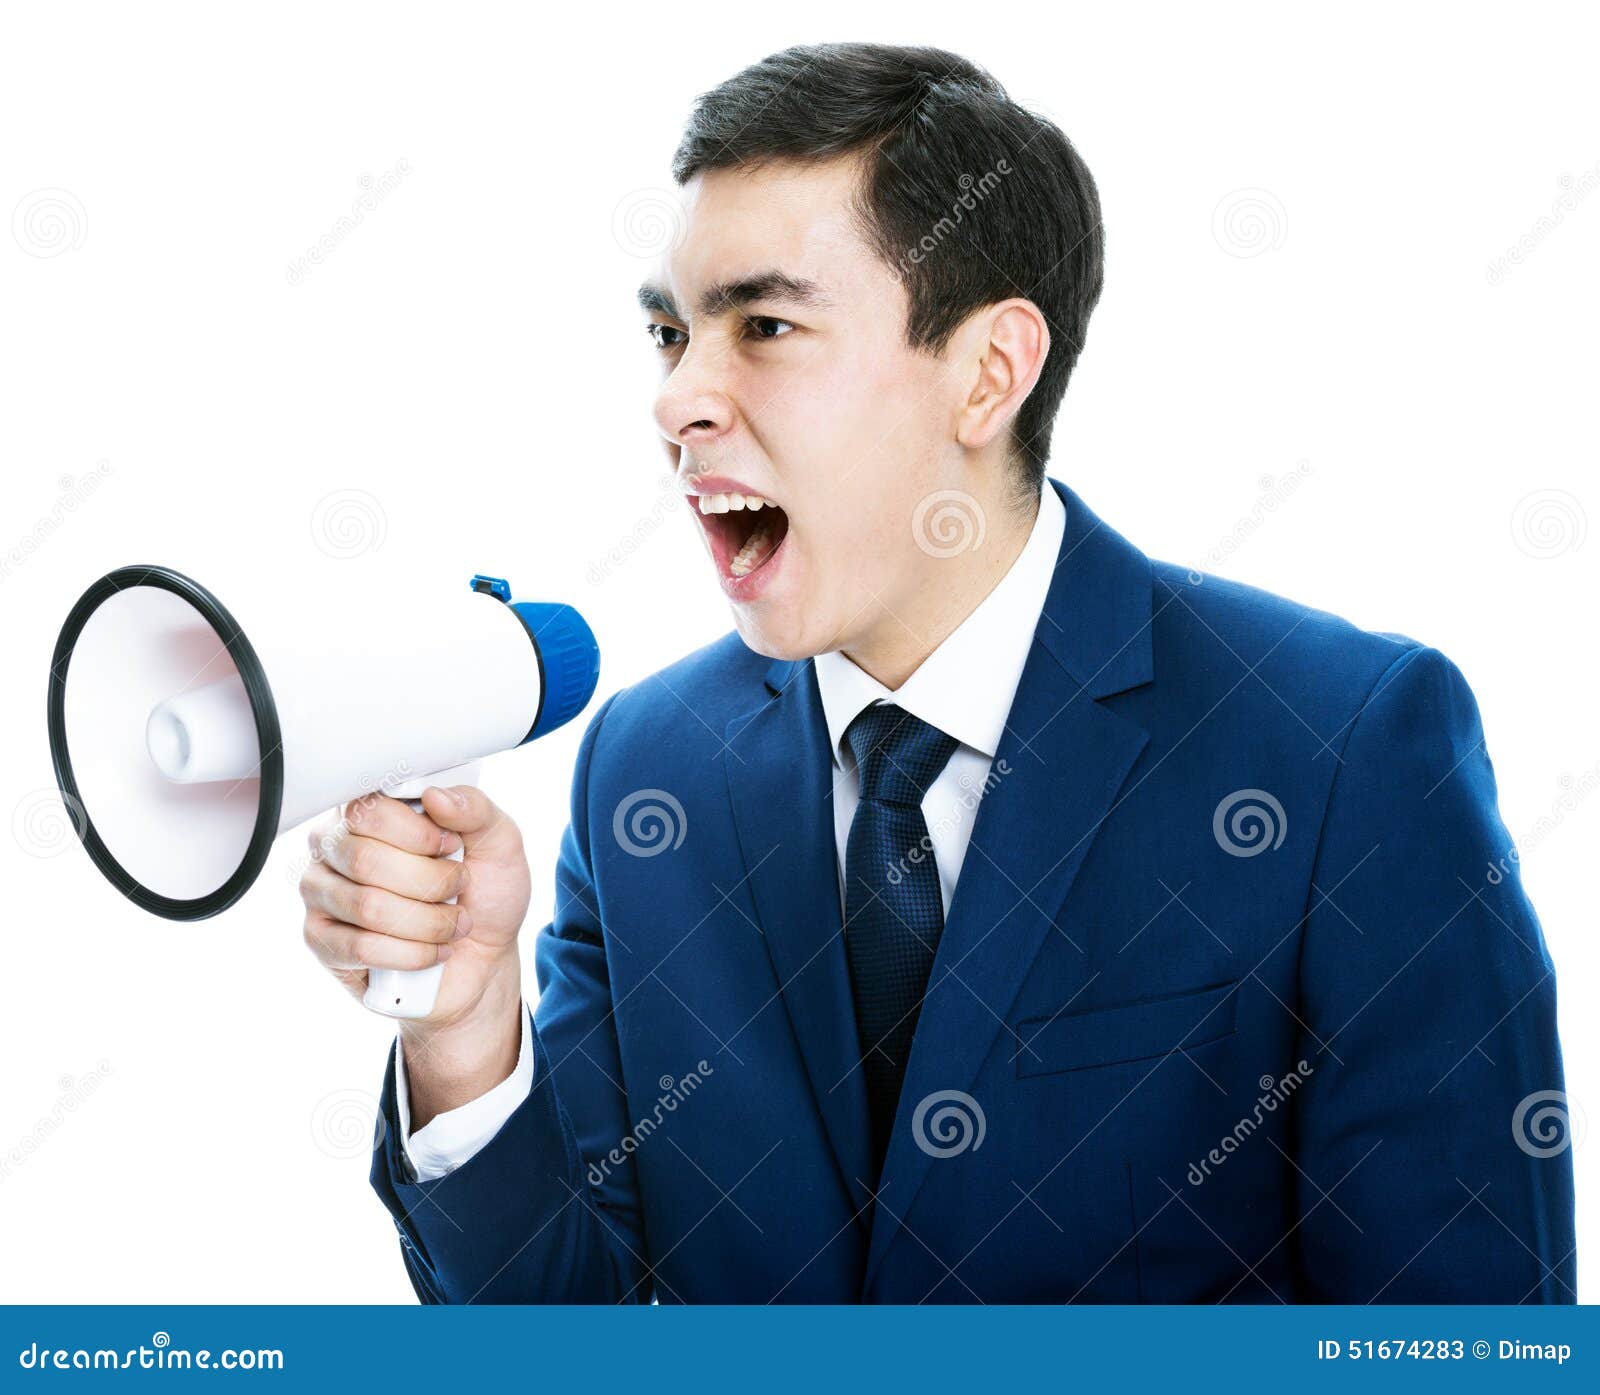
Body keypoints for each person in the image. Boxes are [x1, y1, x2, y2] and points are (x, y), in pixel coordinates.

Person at [299, 43, 1575, 1303]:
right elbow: (559, 1335)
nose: (678, 397)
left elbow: (1461, 1343)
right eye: (670, 333)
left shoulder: (1341, 747)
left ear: (987, 374)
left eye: (766, 325)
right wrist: (463, 1033)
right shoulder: (648, 768)